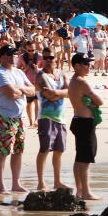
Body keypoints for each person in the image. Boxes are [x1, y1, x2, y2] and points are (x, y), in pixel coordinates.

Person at [0, 44, 35, 195]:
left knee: (18, 150)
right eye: (9, 54)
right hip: (5, 116)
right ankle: (1, 185)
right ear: (1, 56)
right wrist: (21, 90)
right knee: (3, 150)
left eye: (14, 54)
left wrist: (20, 89)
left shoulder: (18, 73)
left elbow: (33, 90)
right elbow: (10, 93)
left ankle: (16, 183)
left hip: (19, 116)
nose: (12, 57)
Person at [67, 53, 103, 200]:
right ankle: (86, 191)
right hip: (84, 122)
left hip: (78, 120)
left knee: (80, 157)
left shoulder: (74, 81)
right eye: (85, 64)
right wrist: (93, 102)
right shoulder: (81, 82)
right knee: (85, 158)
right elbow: (99, 101)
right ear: (76, 66)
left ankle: (80, 191)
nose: (89, 66)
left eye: (89, 63)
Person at [35, 49, 70, 191]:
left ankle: (57, 181)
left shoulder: (61, 74)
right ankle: (40, 182)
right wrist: (61, 93)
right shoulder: (41, 76)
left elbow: (69, 91)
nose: (49, 60)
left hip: (60, 117)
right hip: (46, 117)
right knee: (45, 149)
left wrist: (57, 93)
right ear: (43, 59)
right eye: (46, 57)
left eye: (51, 57)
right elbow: (49, 95)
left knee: (59, 150)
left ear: (56, 58)